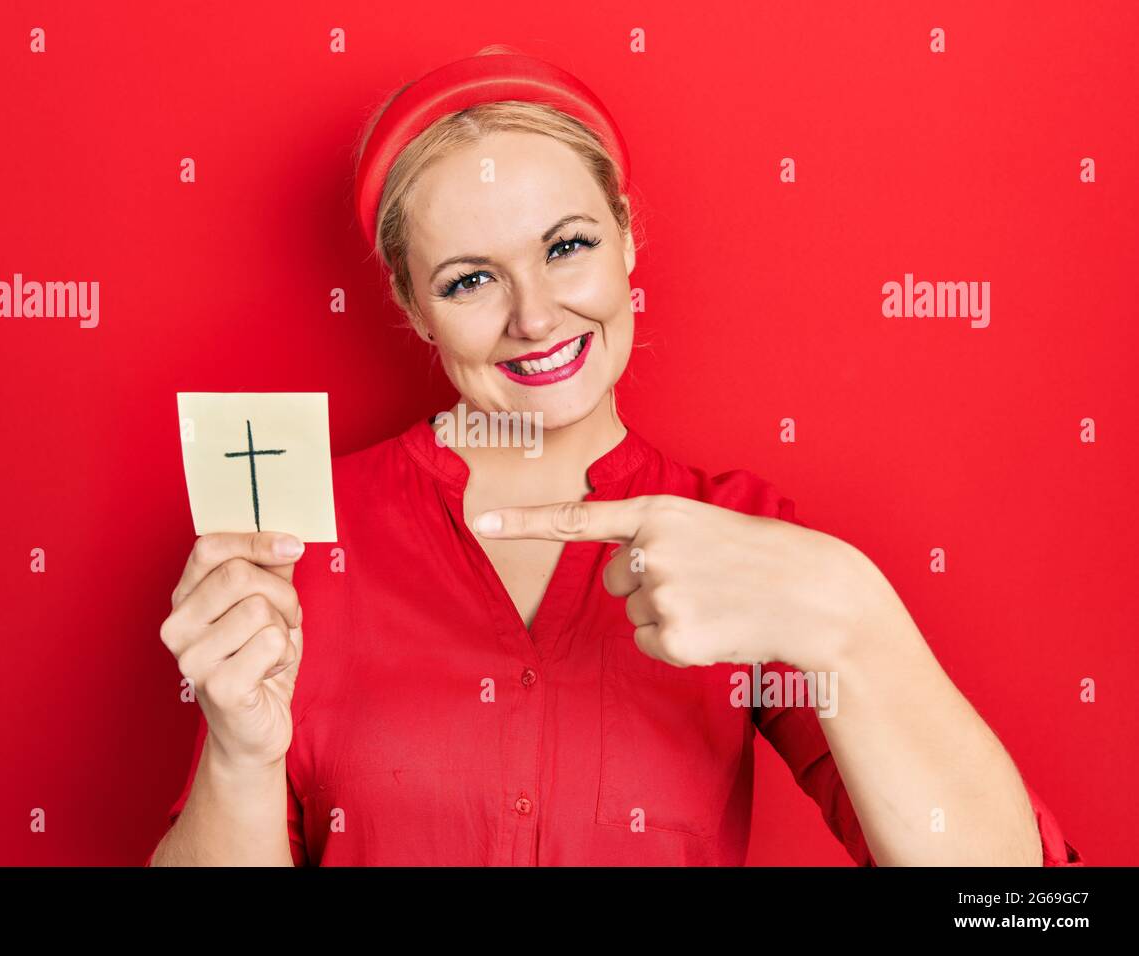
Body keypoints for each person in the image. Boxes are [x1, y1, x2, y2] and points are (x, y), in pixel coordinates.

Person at [147, 47, 1082, 866]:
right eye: (470, 279)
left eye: (568, 246)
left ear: (628, 236)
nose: (537, 316)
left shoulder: (751, 538)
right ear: (410, 303)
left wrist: (854, 616)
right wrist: (238, 756)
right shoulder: (299, 536)